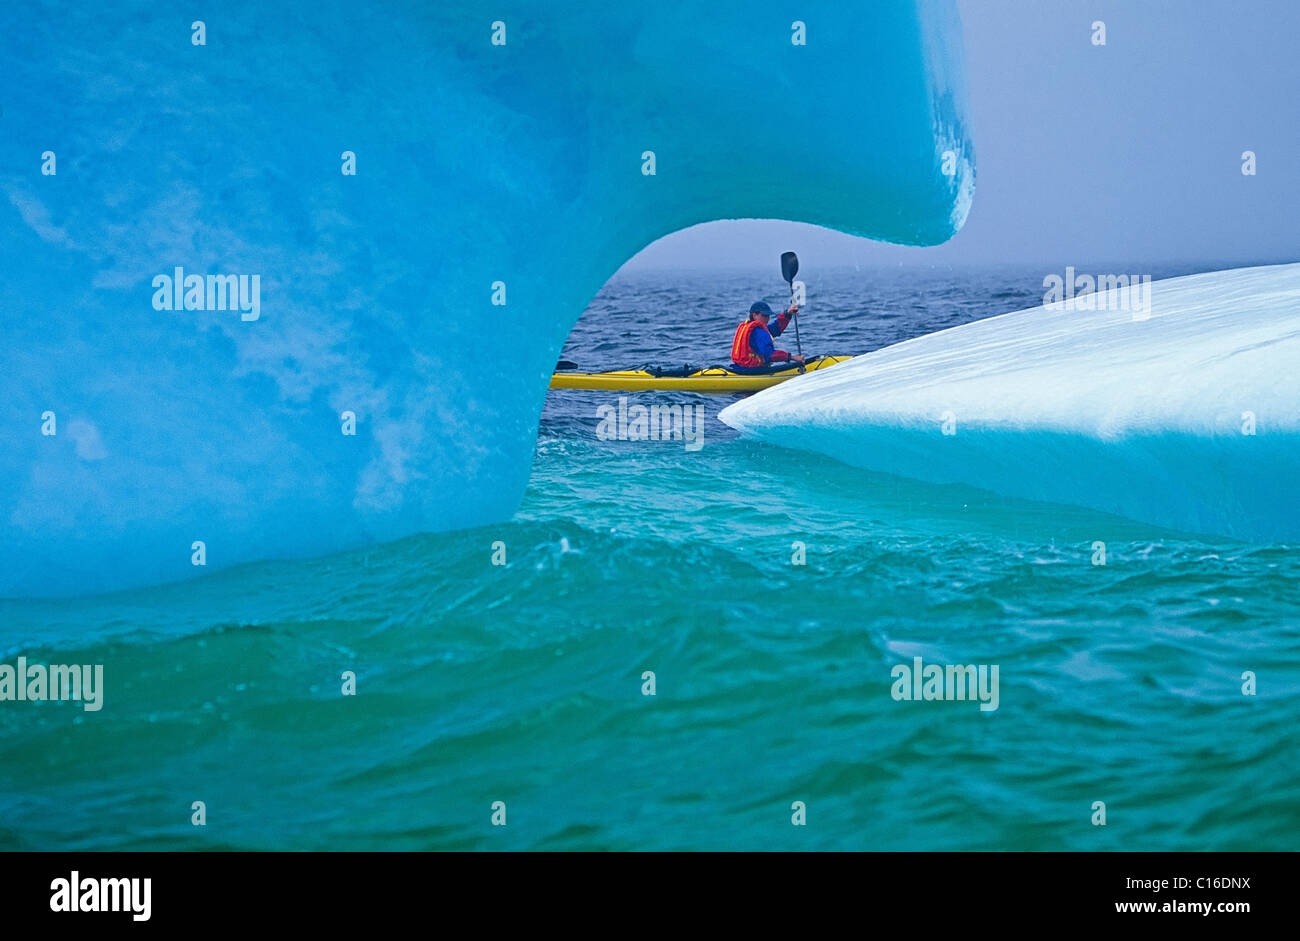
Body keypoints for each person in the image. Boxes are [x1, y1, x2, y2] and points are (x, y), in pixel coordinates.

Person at [730, 301, 805, 369]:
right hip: (753, 370)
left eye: (768, 316)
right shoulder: (759, 332)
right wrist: (793, 357)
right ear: (754, 315)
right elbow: (770, 355)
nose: (768, 319)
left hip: (740, 367)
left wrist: (788, 313)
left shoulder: (751, 328)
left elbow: (775, 329)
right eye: (764, 316)